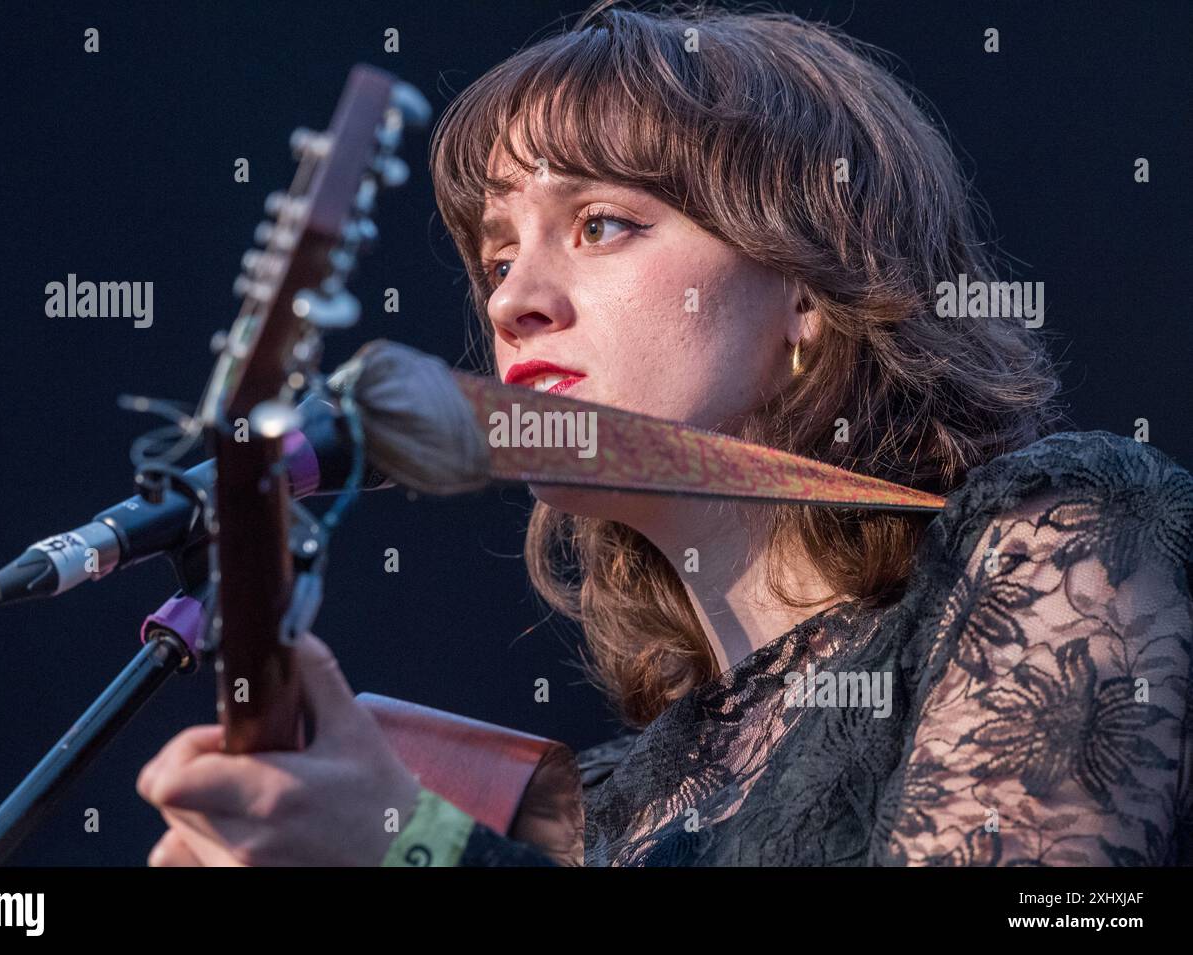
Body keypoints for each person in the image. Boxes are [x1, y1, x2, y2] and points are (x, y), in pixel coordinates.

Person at [137, 1, 1193, 866]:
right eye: (498, 257)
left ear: (808, 291)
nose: (513, 303)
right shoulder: (591, 812)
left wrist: (410, 844)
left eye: (600, 224)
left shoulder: (1065, 539)